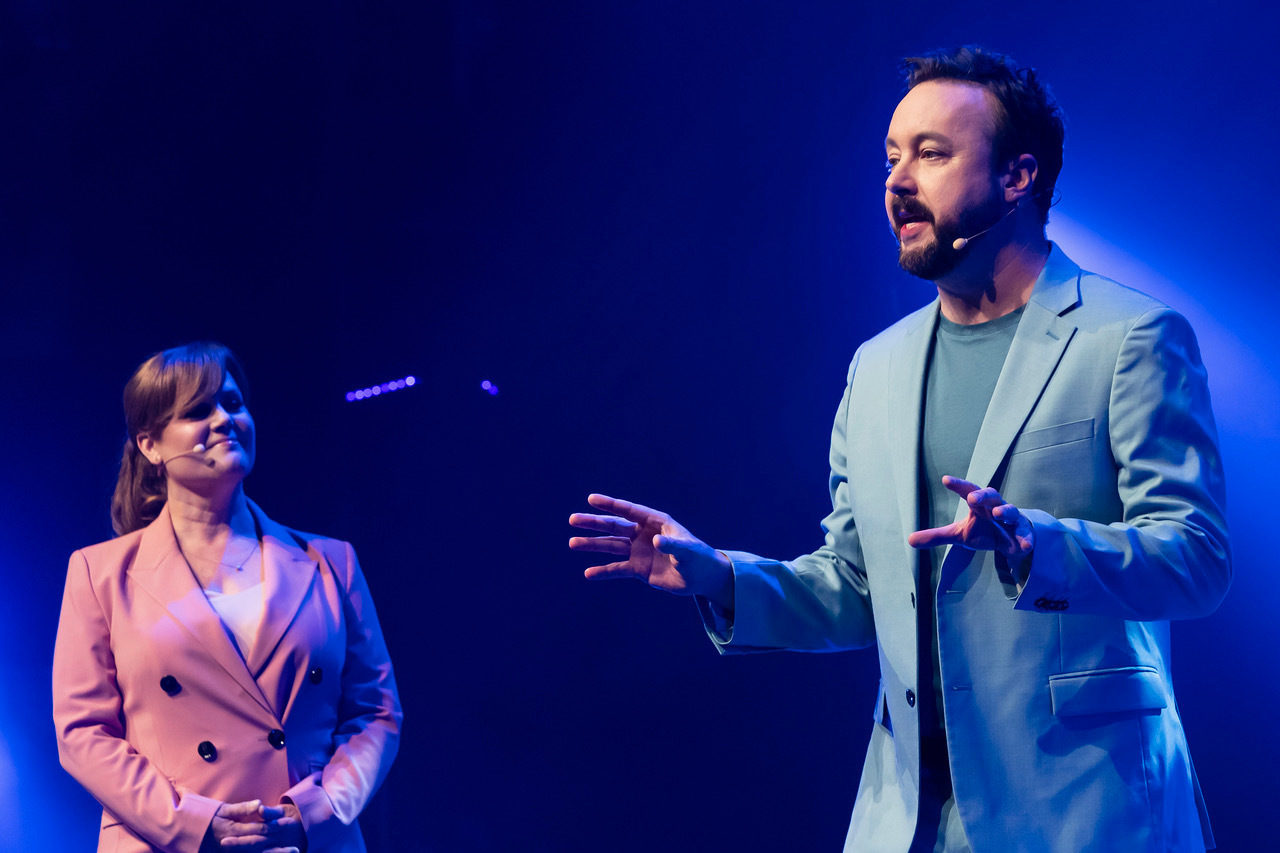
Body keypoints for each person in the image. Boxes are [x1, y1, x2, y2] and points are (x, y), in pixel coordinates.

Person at [569, 46, 1229, 853]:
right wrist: (721, 574)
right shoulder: (876, 366)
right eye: (891, 157)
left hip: (1086, 810)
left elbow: (1196, 559)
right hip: (907, 819)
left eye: (932, 153)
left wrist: (1036, 544)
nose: (897, 180)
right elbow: (854, 585)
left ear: (1018, 177)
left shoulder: (1131, 337)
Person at [53, 342, 402, 853]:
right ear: (150, 446)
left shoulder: (331, 561)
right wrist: (193, 823)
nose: (224, 419)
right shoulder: (99, 572)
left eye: (233, 404)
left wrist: (317, 811)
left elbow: (376, 712)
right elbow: (84, 733)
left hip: (306, 841)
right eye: (198, 411)